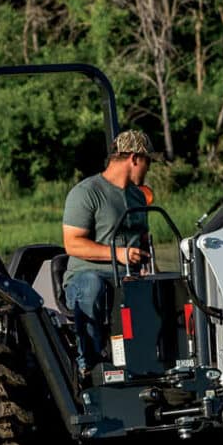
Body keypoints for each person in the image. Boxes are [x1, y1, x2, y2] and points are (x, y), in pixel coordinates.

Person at [62, 129, 160, 377]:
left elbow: (145, 240)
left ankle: (154, 364)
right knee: (91, 285)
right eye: (147, 161)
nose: (148, 168)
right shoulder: (87, 193)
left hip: (128, 276)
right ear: (134, 158)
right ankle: (90, 365)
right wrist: (118, 254)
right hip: (89, 275)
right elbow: (72, 244)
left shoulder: (138, 196)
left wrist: (150, 268)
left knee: (166, 289)